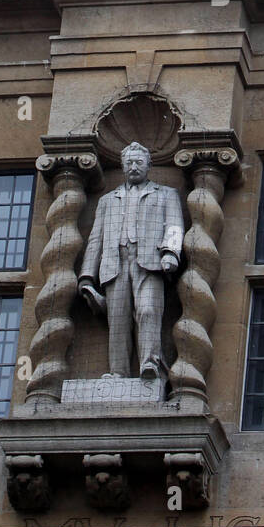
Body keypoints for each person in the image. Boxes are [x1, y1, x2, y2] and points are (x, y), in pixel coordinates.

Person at [78, 142, 183, 380]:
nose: (134, 167)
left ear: (149, 165)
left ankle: (150, 364)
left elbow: (175, 225)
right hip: (114, 264)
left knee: (148, 310)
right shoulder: (107, 200)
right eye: (129, 163)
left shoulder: (166, 194)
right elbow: (95, 239)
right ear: (123, 166)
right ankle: (118, 372)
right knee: (118, 320)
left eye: (139, 162)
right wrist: (86, 277)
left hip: (149, 262)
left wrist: (171, 253)